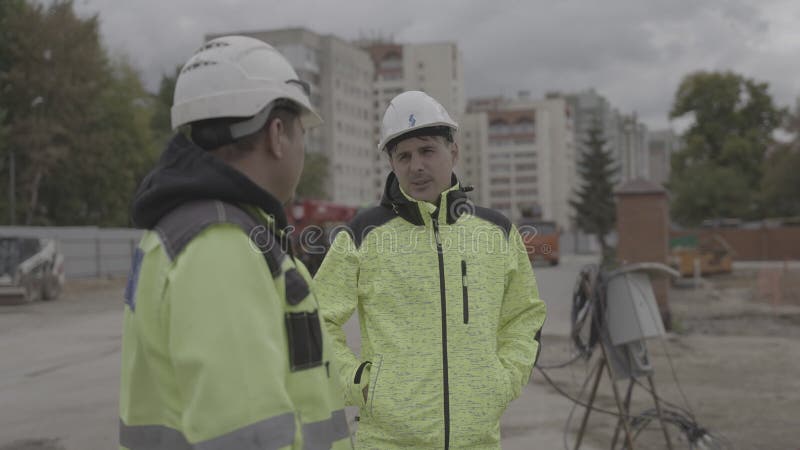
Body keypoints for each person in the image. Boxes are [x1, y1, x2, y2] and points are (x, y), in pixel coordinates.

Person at [119, 36, 351, 450]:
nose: (302, 149)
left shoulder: (191, 230)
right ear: (277, 134)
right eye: (302, 133)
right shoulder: (221, 244)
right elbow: (249, 437)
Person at [314, 91, 547, 449]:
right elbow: (315, 319)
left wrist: (503, 380)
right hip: (388, 441)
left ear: (452, 151)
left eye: (427, 151)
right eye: (403, 156)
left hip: (478, 440)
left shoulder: (495, 231)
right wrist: (357, 382)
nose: (416, 166)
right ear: (391, 163)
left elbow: (524, 315)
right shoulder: (363, 235)